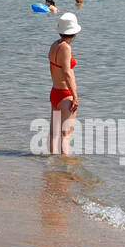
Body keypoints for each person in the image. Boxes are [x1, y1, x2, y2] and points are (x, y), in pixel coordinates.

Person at [47, 12, 82, 155]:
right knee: (65, 135)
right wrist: (75, 97)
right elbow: (67, 73)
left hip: (55, 92)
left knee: (53, 133)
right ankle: (64, 169)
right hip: (65, 94)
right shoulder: (66, 48)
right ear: (73, 32)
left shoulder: (54, 45)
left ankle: (51, 162)